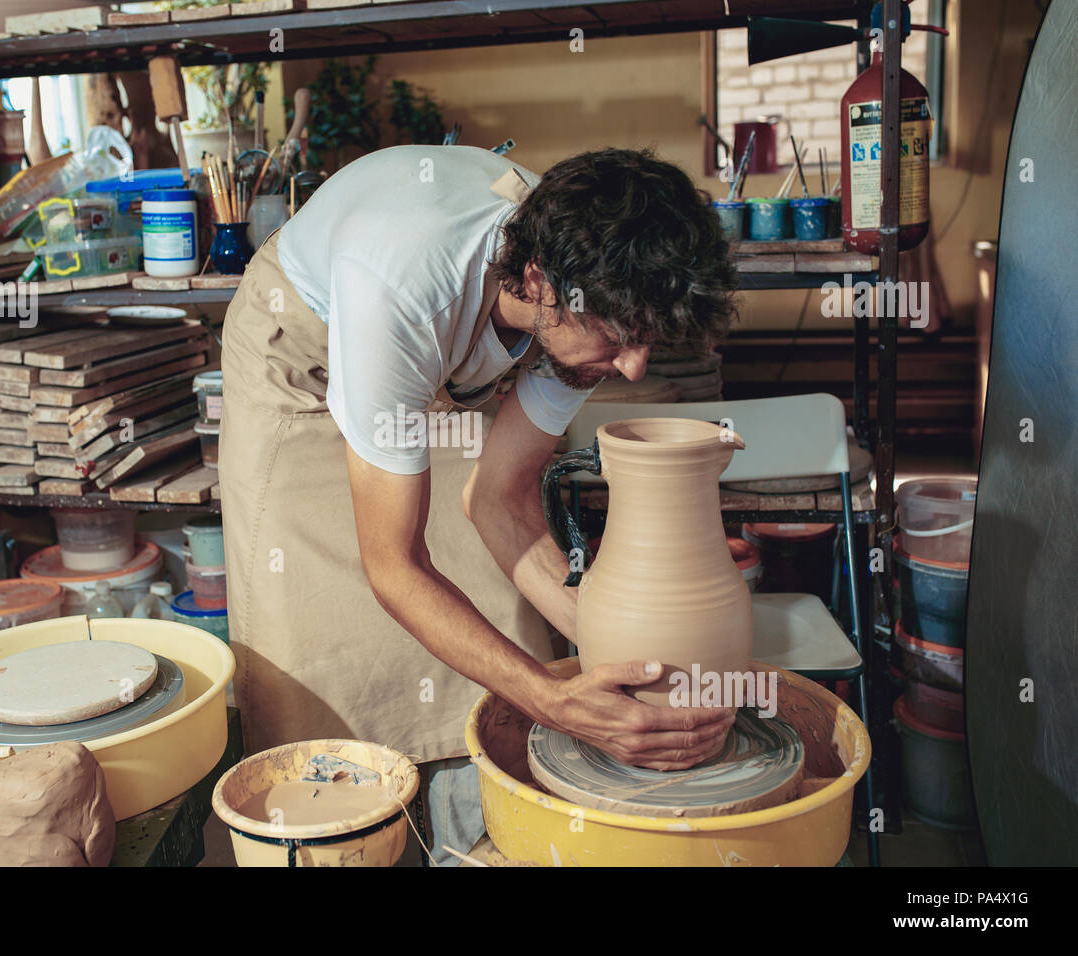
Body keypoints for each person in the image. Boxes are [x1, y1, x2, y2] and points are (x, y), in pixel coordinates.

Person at [218, 144, 740, 864]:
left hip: (444, 365)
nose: (634, 366)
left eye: (645, 339)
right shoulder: (403, 288)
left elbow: (496, 498)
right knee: (320, 656)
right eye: (622, 340)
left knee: (513, 627)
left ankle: (474, 836)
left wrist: (608, 637)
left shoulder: (592, 297)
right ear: (536, 281)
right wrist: (555, 702)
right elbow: (393, 567)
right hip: (305, 361)